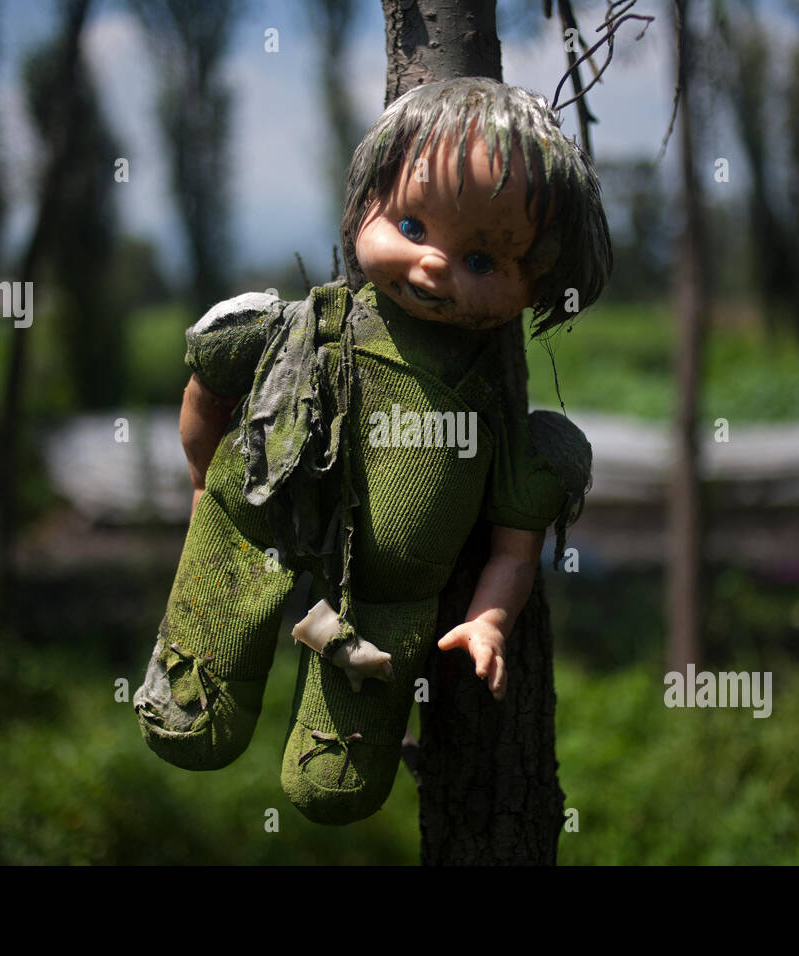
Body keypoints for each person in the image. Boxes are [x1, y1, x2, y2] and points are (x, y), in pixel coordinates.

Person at [134, 76, 611, 825]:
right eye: (413, 225)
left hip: (389, 600)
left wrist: (490, 620)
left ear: (537, 283)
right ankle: (204, 673)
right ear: (367, 204)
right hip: (253, 516)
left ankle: (330, 740)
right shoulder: (303, 332)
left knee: (333, 783)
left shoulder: (494, 413)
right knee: (189, 713)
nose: (432, 265)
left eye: (484, 262)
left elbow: (515, 550)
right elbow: (209, 383)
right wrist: (201, 484)